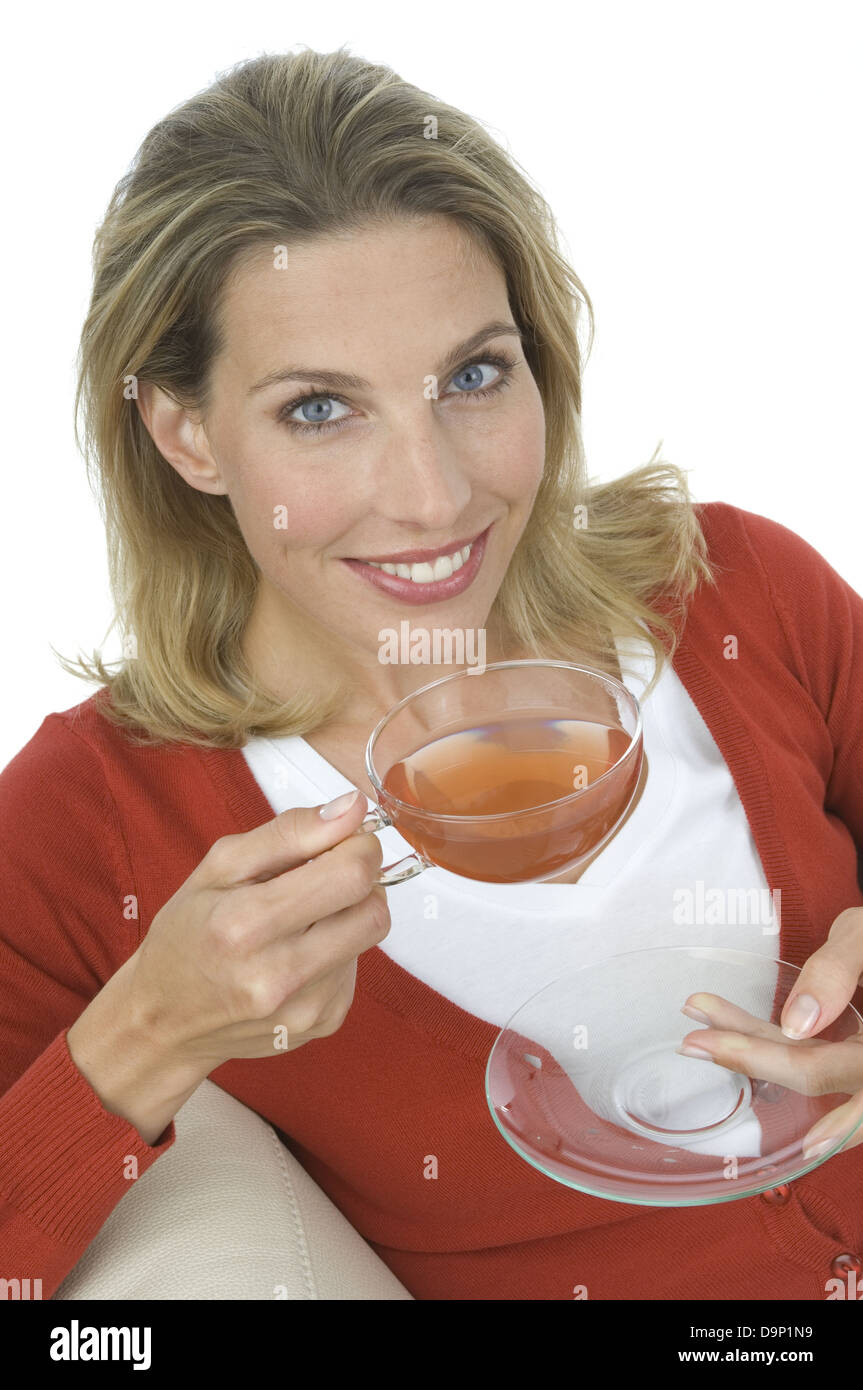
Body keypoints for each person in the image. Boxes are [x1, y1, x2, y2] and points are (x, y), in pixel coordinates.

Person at [1, 45, 862, 1302]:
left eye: (471, 375)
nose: (435, 495)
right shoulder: (101, 818)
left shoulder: (734, 588)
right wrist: (151, 1032)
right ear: (185, 431)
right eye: (317, 408)